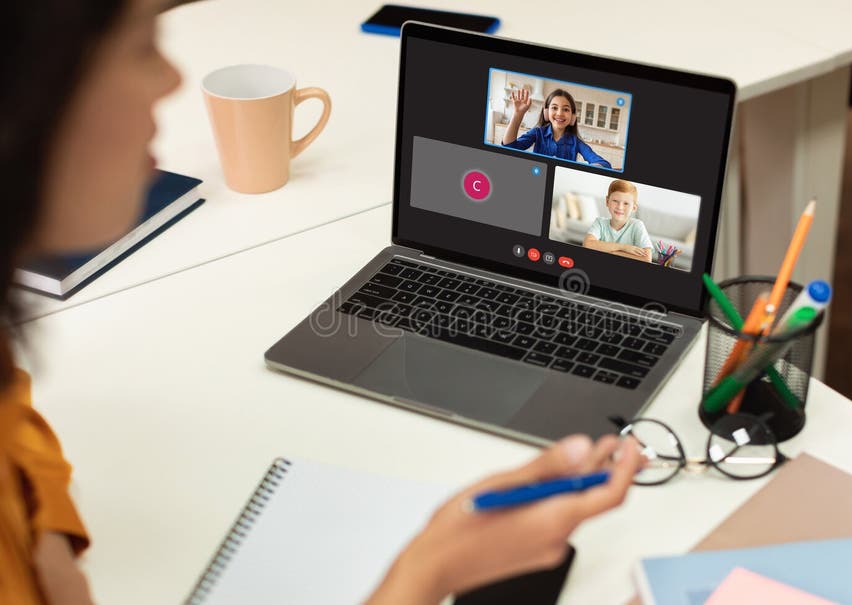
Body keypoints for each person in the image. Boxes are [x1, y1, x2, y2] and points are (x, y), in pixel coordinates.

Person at [0, 1, 641, 603]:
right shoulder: (531, 138)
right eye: (142, 48)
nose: (172, 78)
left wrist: (46, 540)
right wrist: (429, 568)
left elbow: (12, 407)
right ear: (30, 91)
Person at [501, 88, 612, 168]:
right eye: (554, 107)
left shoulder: (576, 142)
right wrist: (518, 114)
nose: (559, 113)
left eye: (566, 109)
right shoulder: (537, 133)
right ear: (546, 112)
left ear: (573, 117)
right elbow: (509, 147)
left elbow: (604, 164)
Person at [583, 180, 654, 263]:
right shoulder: (600, 222)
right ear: (607, 201)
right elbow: (587, 245)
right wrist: (624, 247)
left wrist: (613, 252)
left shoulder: (637, 225)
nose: (620, 207)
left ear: (634, 208)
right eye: (615, 201)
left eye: (626, 203)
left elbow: (647, 258)